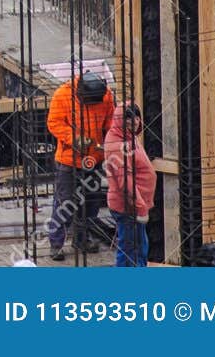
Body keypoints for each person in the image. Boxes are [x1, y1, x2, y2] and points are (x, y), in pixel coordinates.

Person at [45, 71, 114, 261]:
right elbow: (54, 123)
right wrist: (74, 139)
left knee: (90, 203)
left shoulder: (105, 95)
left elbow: (110, 122)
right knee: (65, 203)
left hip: (94, 159)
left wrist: (110, 142)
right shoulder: (62, 95)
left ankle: (81, 240)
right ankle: (56, 244)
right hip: (68, 160)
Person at [104, 102, 155, 267]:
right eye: (129, 118)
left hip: (133, 206)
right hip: (129, 208)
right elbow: (125, 183)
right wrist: (140, 208)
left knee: (137, 249)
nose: (135, 121)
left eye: (137, 117)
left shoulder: (128, 137)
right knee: (130, 253)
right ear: (120, 120)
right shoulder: (118, 145)